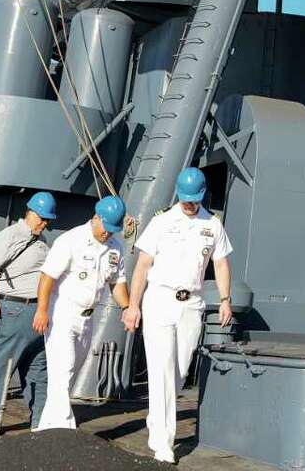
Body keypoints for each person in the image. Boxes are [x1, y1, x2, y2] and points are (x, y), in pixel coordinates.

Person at [124, 168, 233, 464]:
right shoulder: (161, 222)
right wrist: (133, 306)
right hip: (159, 300)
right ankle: (164, 441)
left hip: (192, 303)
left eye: (193, 200)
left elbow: (221, 264)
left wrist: (225, 299)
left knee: (180, 370)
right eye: (184, 199)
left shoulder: (212, 224)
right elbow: (143, 266)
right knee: (162, 369)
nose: (188, 204)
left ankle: (156, 419)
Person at [33, 196, 130, 432]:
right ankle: (63, 430)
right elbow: (48, 277)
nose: (108, 233)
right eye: (106, 227)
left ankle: (45, 428)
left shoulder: (115, 247)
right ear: (96, 218)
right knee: (63, 369)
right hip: (63, 312)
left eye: (112, 230)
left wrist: (128, 307)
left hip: (88, 317)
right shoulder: (71, 240)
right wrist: (42, 310)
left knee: (70, 374)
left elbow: (117, 282)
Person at [0, 191, 59, 437]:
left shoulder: (40, 242)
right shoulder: (10, 237)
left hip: (36, 313)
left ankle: (40, 420)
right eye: (41, 218)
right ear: (30, 213)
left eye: (48, 220)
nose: (45, 223)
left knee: (39, 369)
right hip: (12, 309)